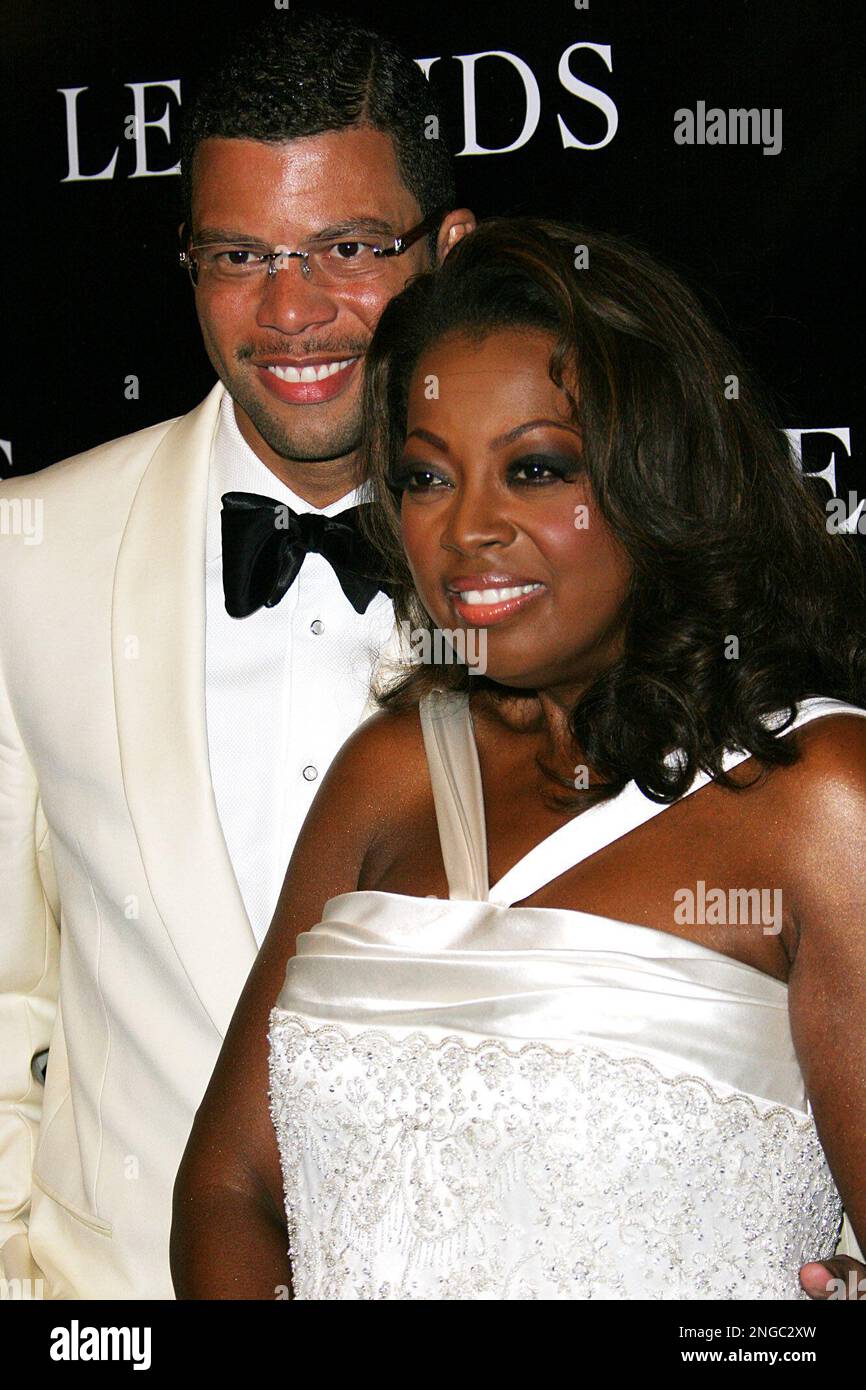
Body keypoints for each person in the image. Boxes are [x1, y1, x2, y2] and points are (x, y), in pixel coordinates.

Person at [172, 218, 866, 1301]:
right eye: (424, 477)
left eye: (535, 469)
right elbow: (229, 1189)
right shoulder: (391, 771)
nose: (468, 531)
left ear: (659, 477)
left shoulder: (816, 798)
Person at [0, 15, 474, 1299]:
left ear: (449, 250)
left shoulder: (579, 563)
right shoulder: (27, 554)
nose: (291, 308)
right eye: (239, 254)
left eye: (350, 248)